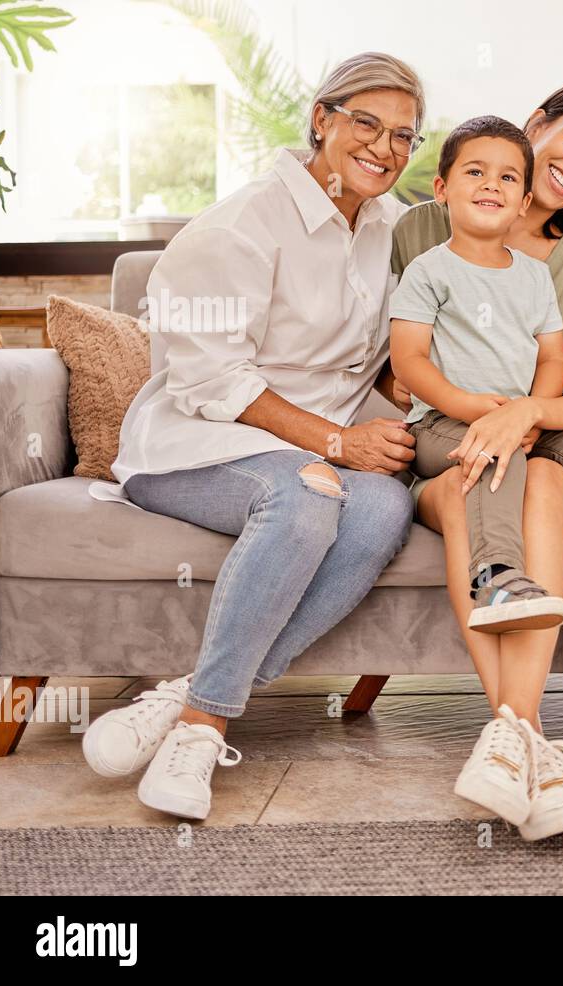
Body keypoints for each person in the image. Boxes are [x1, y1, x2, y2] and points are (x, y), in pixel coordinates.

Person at [82, 53, 424, 821]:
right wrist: (338, 444)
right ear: (321, 120)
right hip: (194, 443)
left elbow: (472, 253)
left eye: (404, 135)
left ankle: (183, 695)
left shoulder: (393, 226)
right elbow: (213, 384)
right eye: (365, 122)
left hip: (314, 449)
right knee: (306, 499)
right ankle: (204, 730)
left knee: (382, 512)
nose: (384, 147)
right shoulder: (238, 227)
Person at [386, 81, 563, 840]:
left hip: (524, 447)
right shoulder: (425, 230)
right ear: (538, 129)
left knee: (553, 479)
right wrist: (479, 412)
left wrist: (523, 412)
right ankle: (530, 743)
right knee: (473, 479)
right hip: (441, 444)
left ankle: (511, 740)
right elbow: (402, 366)